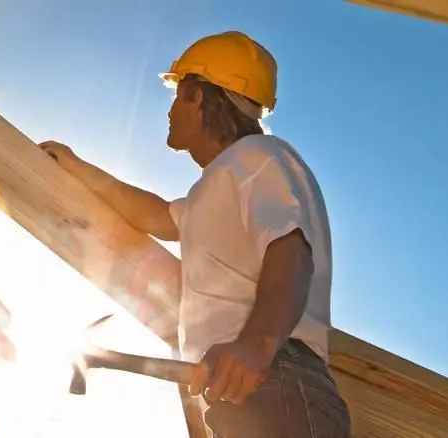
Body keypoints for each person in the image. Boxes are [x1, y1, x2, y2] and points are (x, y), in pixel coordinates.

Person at [39, 31, 351, 437]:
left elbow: (291, 250)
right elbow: (155, 215)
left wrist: (255, 345)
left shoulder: (259, 158)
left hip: (275, 378)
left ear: (197, 97)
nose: (170, 111)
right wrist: (75, 166)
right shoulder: (220, 185)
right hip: (247, 389)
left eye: (177, 94)